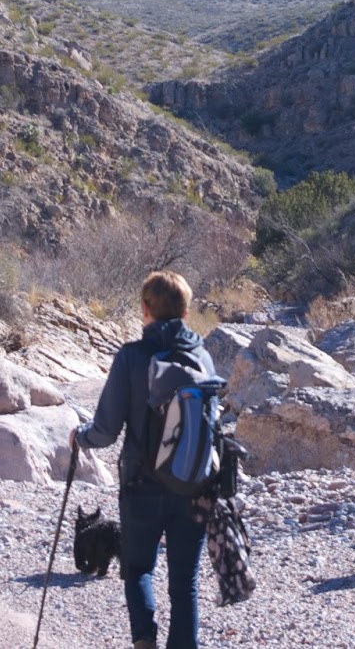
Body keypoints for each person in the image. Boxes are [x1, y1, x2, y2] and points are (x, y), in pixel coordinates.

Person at [74, 270, 214, 649]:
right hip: (194, 485)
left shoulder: (132, 357)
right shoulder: (202, 356)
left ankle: (144, 642)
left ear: (146, 308)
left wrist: (80, 437)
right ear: (185, 310)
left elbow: (105, 431)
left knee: (138, 569)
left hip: (142, 486)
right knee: (184, 582)